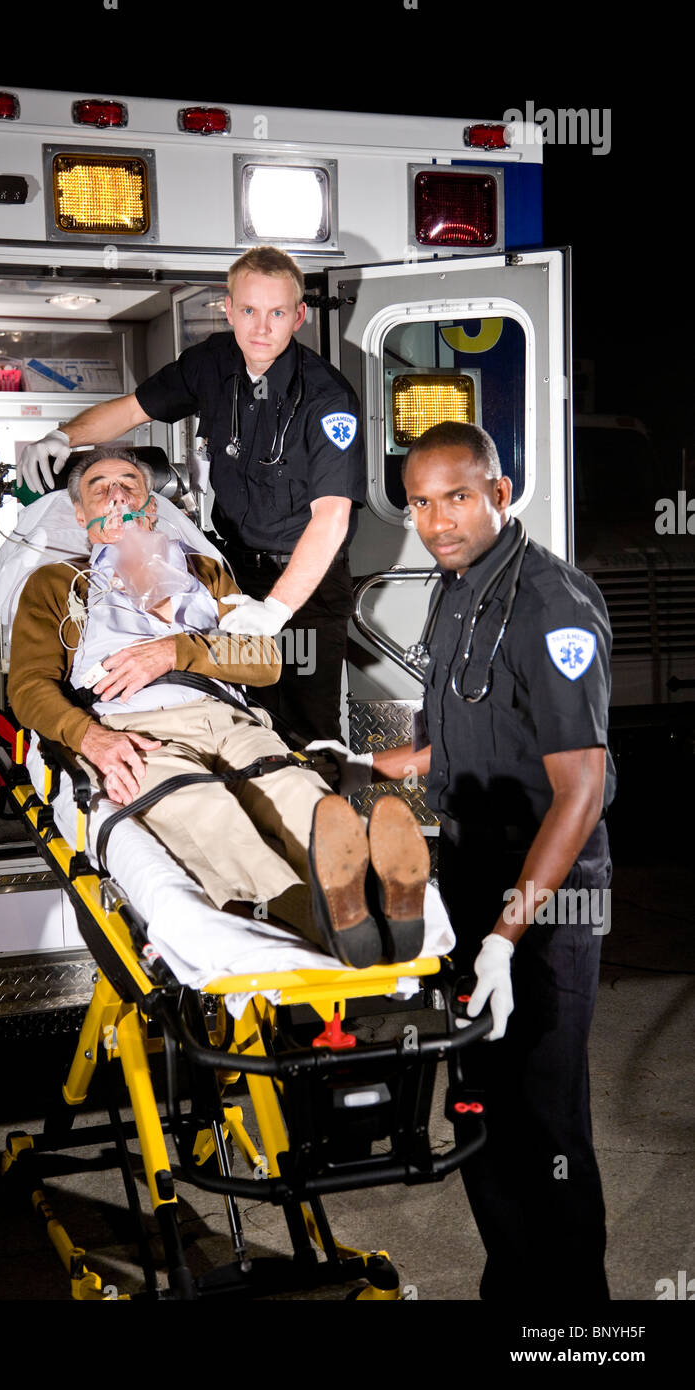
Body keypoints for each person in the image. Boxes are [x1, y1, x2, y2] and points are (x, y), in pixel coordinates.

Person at [311, 421, 615, 1300]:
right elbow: (471, 741)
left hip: (545, 904)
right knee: (477, 1106)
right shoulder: (453, 591)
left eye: (455, 496)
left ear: (499, 493)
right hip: (469, 881)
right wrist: (369, 767)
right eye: (418, 503)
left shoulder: (553, 605)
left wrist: (506, 939)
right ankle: (510, 1293)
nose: (436, 519)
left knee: (546, 1121)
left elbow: (580, 790)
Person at [7, 447, 426, 970]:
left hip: (228, 719)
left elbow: (265, 660)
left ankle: (369, 893)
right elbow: (26, 687)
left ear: (152, 506)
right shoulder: (55, 585)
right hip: (134, 728)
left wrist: (178, 650)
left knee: (294, 790)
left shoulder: (204, 572)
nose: (116, 494)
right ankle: (323, 917)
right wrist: (92, 738)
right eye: (100, 488)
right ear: (80, 516)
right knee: (208, 810)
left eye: (129, 485)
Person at [17, 247, 366, 743]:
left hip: (303, 582)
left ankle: (311, 809)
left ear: (300, 315)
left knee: (306, 726)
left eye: (277, 313)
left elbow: (331, 519)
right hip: (231, 569)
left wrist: (278, 609)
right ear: (227, 308)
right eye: (248, 310)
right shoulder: (211, 364)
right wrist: (63, 436)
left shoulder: (327, 399)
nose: (261, 327)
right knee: (243, 707)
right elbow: (134, 409)